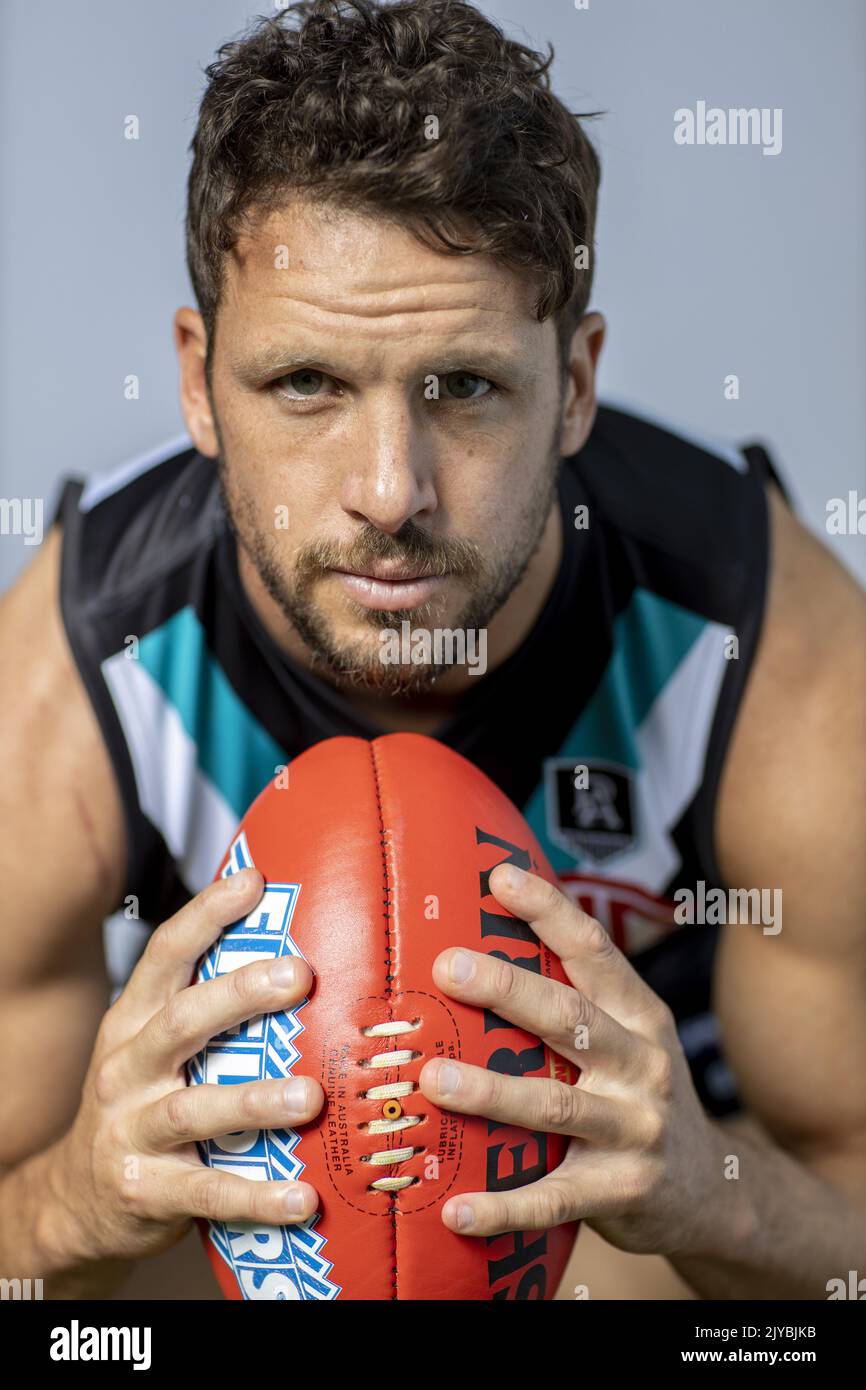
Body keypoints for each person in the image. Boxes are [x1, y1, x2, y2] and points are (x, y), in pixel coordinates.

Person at [1, 0, 864, 1301]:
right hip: (254, 1226)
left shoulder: (766, 652)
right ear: (196, 379)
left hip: (634, 1239)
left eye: (461, 387)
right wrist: (69, 1199)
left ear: (571, 384)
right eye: (307, 385)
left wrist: (710, 1195)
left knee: (632, 1258)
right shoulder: (75, 680)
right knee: (127, 1247)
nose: (388, 491)